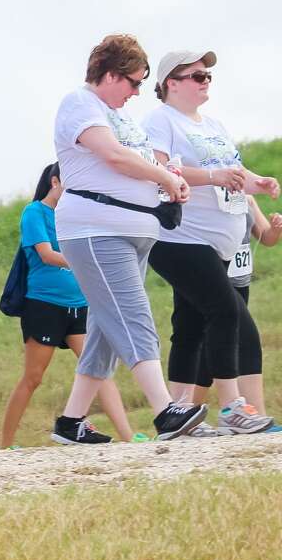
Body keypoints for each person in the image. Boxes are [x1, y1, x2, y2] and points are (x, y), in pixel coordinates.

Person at [49, 33, 206, 444]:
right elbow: (115, 157)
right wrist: (166, 178)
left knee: (105, 326)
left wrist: (171, 182)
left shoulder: (118, 113)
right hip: (95, 231)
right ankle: (164, 410)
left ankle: (71, 422)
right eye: (134, 82)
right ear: (110, 74)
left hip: (131, 229)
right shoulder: (80, 104)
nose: (137, 92)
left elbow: (140, 160)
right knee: (134, 317)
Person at [144, 50, 277, 434]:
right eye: (197, 76)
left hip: (217, 243)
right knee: (226, 311)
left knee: (190, 326)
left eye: (208, 77)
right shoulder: (160, 119)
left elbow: (234, 172)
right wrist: (212, 175)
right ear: (172, 82)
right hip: (180, 236)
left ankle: (179, 415)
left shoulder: (214, 124)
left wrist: (259, 182)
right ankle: (233, 407)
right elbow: (158, 167)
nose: (205, 81)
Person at [0, 164, 141, 449]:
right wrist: (84, 261)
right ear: (55, 181)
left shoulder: (75, 216)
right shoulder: (34, 212)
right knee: (33, 377)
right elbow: (47, 254)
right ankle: (4, 445)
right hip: (44, 305)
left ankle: (129, 436)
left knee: (98, 369)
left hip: (80, 304)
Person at [184, 199, 282, 427]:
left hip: (240, 282)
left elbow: (266, 237)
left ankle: (184, 415)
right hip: (215, 281)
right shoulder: (208, 195)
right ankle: (256, 414)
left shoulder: (246, 198)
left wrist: (276, 229)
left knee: (210, 356)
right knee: (247, 339)